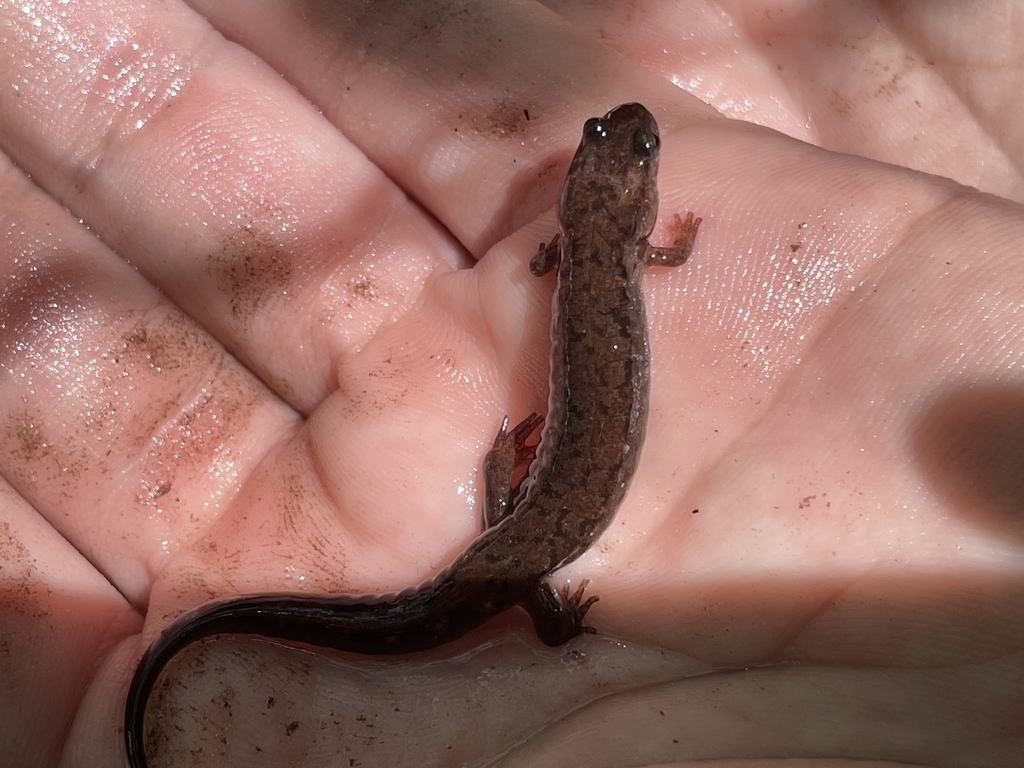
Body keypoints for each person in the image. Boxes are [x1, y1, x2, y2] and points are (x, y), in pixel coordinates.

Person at [1, 2, 1020, 766]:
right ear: (619, 209)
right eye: (608, 144)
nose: (615, 138)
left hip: (525, 531)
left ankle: (224, 640)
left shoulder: (580, 256)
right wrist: (546, 609)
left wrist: (511, 484)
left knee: (484, 566)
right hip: (527, 537)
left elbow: (582, 269)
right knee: (492, 575)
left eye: (629, 146)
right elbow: (635, 264)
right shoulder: (619, 258)